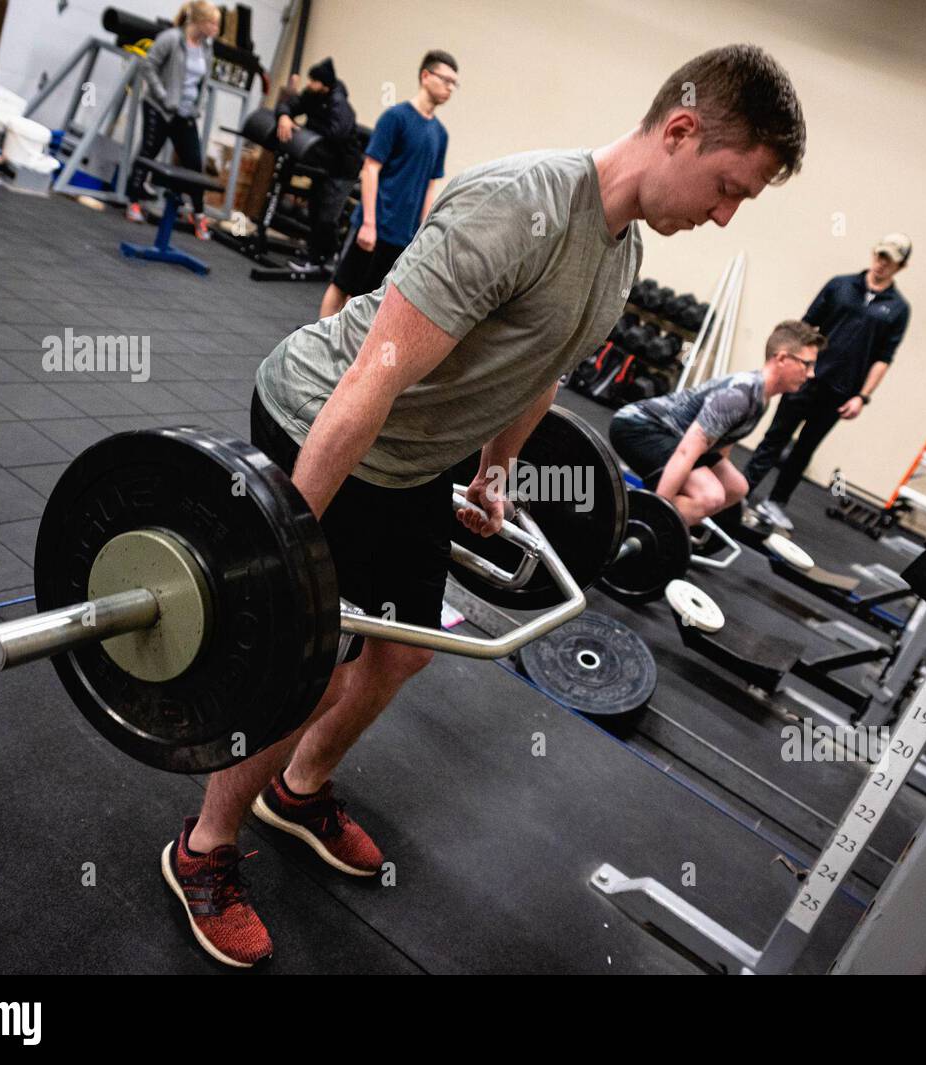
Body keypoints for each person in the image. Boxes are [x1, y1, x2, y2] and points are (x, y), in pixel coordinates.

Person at [161, 44, 807, 968]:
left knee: (402, 650)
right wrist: (285, 539)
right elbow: (369, 378)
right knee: (300, 658)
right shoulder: (521, 208)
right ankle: (205, 849)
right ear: (680, 131)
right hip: (324, 418)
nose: (724, 213)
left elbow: (537, 371)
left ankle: (297, 791)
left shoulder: (619, 254)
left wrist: (497, 468)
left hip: (415, 456)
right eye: (728, 186)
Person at [744, 234, 912, 532]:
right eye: (880, 255)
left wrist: (863, 396)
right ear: (874, 252)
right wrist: (788, 366)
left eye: (890, 260)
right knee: (775, 438)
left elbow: (884, 358)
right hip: (805, 380)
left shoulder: (898, 309)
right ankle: (742, 492)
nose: (881, 263)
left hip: (842, 391)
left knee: (804, 449)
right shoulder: (840, 285)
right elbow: (806, 326)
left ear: (901, 266)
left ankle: (775, 503)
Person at [609, 320, 824, 527]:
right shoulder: (739, 396)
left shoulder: (760, 397)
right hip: (639, 427)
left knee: (737, 487)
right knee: (710, 496)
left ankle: (675, 522)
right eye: (807, 364)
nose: (811, 373)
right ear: (782, 358)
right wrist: (660, 504)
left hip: (673, 435)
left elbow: (722, 445)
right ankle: (633, 522)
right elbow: (685, 452)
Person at [317, 50, 457, 319]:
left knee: (367, 301)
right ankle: (315, 348)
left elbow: (429, 186)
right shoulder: (396, 117)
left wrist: (421, 233)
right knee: (342, 286)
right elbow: (370, 168)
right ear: (426, 76)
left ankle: (345, 356)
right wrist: (368, 223)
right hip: (375, 224)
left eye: (454, 83)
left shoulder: (440, 134)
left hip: (402, 234)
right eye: (446, 80)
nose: (450, 88)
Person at [124, 1, 221, 240]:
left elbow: (202, 82)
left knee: (194, 163)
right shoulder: (171, 38)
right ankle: (133, 201)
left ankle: (197, 214)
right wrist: (163, 96)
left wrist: (198, 106)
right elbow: (148, 66)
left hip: (185, 114)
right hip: (160, 108)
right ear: (198, 22)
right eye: (213, 23)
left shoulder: (207, 48)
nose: (216, 28)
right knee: (149, 152)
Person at [274, 57, 365, 271]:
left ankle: (324, 258)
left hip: (344, 169)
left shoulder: (339, 104)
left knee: (327, 217)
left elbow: (336, 134)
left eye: (313, 81)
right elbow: (290, 105)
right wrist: (285, 117)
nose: (309, 84)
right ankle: (319, 255)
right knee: (315, 211)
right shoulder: (311, 95)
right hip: (324, 166)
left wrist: (305, 129)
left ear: (324, 85)